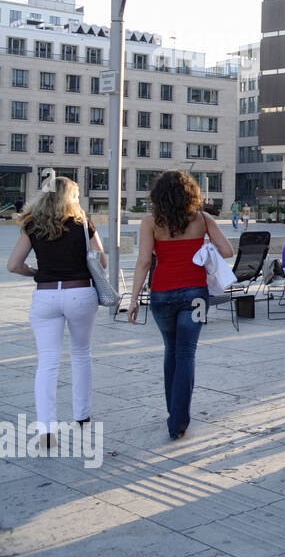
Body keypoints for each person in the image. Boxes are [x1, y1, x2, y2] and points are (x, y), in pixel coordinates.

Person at [127, 170, 235, 440]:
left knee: (171, 351)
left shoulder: (150, 222)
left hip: (162, 293)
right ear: (191, 194)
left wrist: (132, 299)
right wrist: (204, 244)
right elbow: (227, 251)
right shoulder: (202, 219)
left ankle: (173, 413)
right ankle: (178, 422)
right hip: (195, 294)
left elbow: (143, 262)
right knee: (186, 353)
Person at [7, 177, 106, 439]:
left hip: (46, 295)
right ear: (71, 198)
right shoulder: (83, 224)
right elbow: (102, 261)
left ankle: (46, 428)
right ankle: (82, 415)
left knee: (47, 361)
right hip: (80, 292)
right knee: (81, 353)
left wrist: (36, 272)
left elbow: (13, 265)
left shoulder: (32, 225)